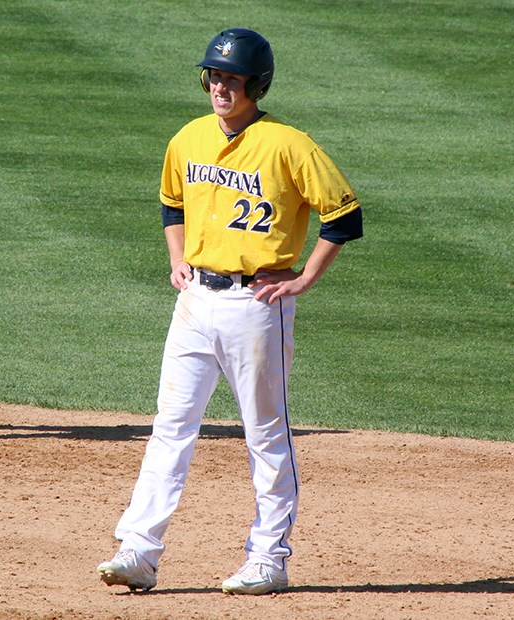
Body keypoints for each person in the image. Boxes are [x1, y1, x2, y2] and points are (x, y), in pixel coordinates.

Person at [97, 28, 362, 595]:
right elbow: (172, 203)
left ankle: (269, 558)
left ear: (256, 84)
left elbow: (344, 216)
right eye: (215, 75)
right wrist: (177, 258)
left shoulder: (290, 145)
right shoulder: (188, 138)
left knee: (265, 434)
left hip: (256, 305)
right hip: (195, 302)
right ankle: (139, 550)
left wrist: (306, 276)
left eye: (232, 78)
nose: (221, 86)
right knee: (171, 426)